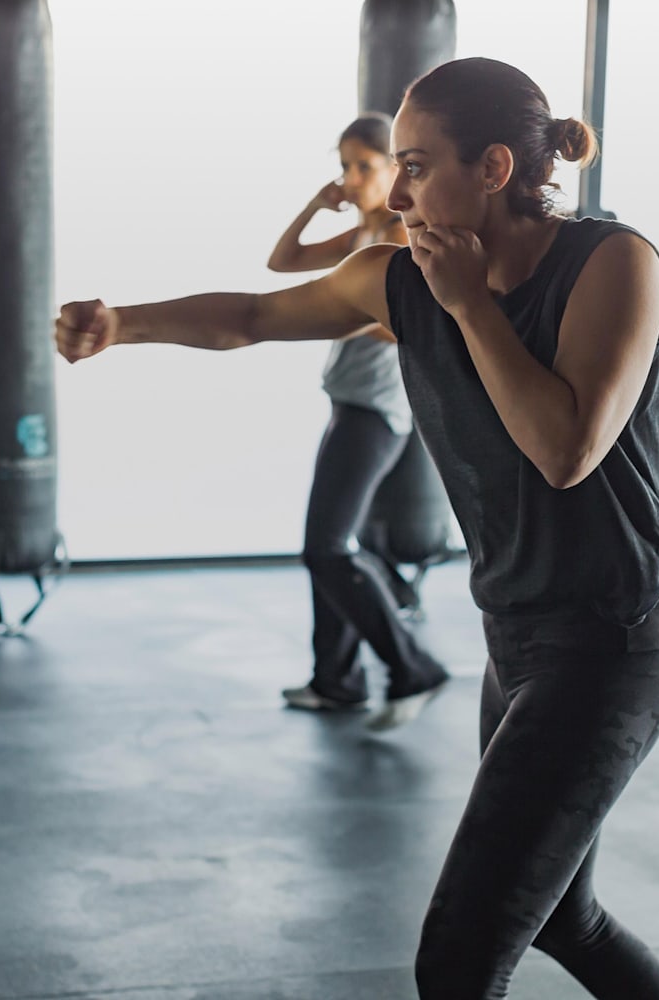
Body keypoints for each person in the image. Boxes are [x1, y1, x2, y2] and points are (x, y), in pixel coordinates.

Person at [58, 57, 659, 1000]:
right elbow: (256, 313)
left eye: (418, 166)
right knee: (564, 916)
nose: (395, 193)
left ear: (496, 168)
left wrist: (470, 305)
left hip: (607, 646)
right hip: (512, 639)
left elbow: (566, 449)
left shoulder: (613, 263)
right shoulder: (400, 279)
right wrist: (122, 323)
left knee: (457, 961)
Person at [266, 111, 450, 732]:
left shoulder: (401, 241)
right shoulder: (363, 238)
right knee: (335, 546)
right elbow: (281, 260)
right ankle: (336, 681)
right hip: (350, 406)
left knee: (325, 549)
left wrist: (334, 310)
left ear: (396, 168)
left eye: (363, 166)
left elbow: (401, 322)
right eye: (342, 166)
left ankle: (413, 669)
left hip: (376, 413)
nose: (350, 177)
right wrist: (319, 203)